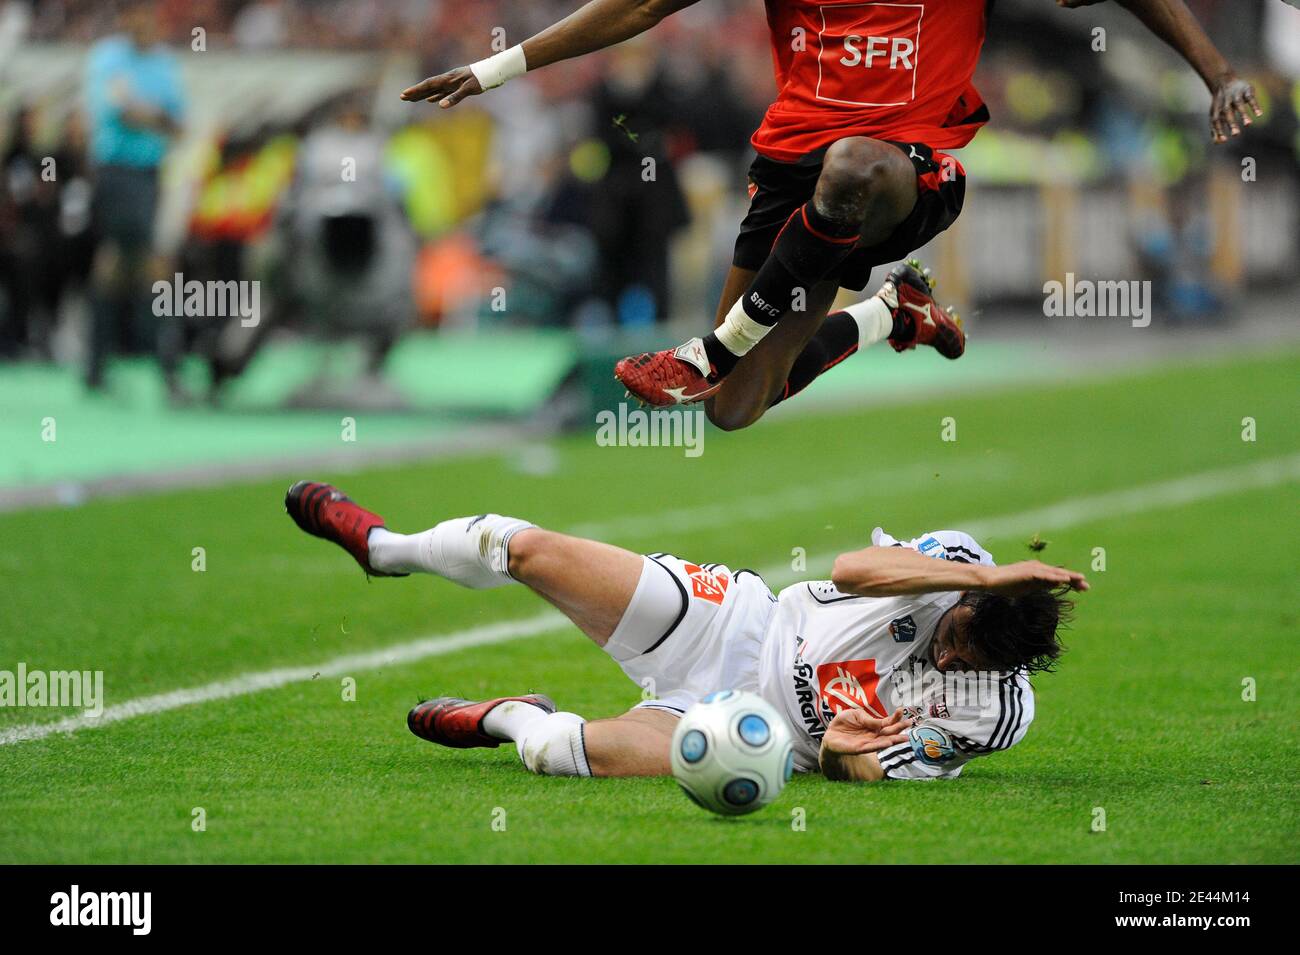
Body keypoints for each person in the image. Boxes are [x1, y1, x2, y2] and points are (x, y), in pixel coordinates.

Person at [400, 0, 1262, 429]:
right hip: (789, 174)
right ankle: (890, 315)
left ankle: (710, 347)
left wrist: (1217, 70)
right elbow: (636, 7)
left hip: (910, 169)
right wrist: (495, 69)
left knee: (854, 164)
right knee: (733, 410)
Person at [284, 480, 1088, 782]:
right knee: (523, 548)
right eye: (954, 636)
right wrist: (978, 575)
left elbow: (880, 774)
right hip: (733, 626)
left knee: (563, 755)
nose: (946, 656)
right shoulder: (959, 564)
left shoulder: (997, 715)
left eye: (965, 663)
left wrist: (846, 753)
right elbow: (849, 570)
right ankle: (386, 549)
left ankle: (505, 715)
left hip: (757, 734)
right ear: (974, 597)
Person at [83, 0, 185, 393]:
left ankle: (95, 365)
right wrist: (157, 117)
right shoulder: (108, 58)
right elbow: (124, 111)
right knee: (152, 263)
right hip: (117, 173)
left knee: (114, 264)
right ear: (126, 19)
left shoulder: (163, 62)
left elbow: (178, 124)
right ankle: (168, 366)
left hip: (150, 175)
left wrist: (153, 116)